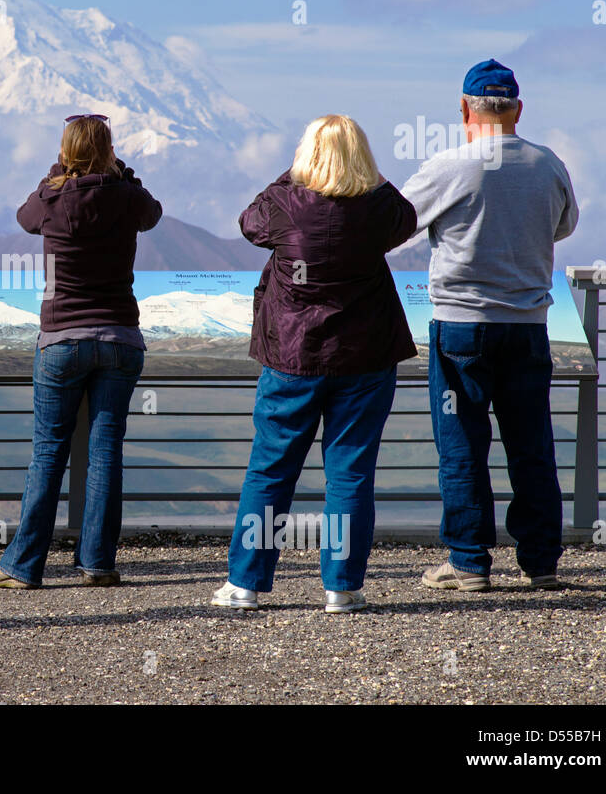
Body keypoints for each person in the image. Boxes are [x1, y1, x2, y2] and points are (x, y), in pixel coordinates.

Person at [211, 115, 415, 613]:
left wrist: (293, 174)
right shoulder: (378, 208)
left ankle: (247, 585)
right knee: (349, 474)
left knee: (270, 470)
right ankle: (341, 588)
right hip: (364, 358)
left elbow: (248, 222)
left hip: (291, 357)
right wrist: (369, 173)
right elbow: (407, 219)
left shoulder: (283, 202)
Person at [400, 59, 579, 592]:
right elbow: (564, 225)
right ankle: (542, 560)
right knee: (531, 443)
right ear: (518, 109)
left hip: (460, 325)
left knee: (461, 444)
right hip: (528, 324)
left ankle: (469, 561)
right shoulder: (548, 164)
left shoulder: (449, 166)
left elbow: (398, 222)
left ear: (464, 109)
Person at [0, 113, 161, 590]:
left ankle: (24, 565)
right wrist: (125, 174)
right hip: (120, 335)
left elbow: (24, 216)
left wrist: (54, 174)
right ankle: (97, 563)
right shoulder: (127, 197)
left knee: (49, 451)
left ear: (65, 151)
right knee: (105, 450)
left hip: (61, 338)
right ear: (110, 149)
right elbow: (152, 212)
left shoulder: (52, 198)